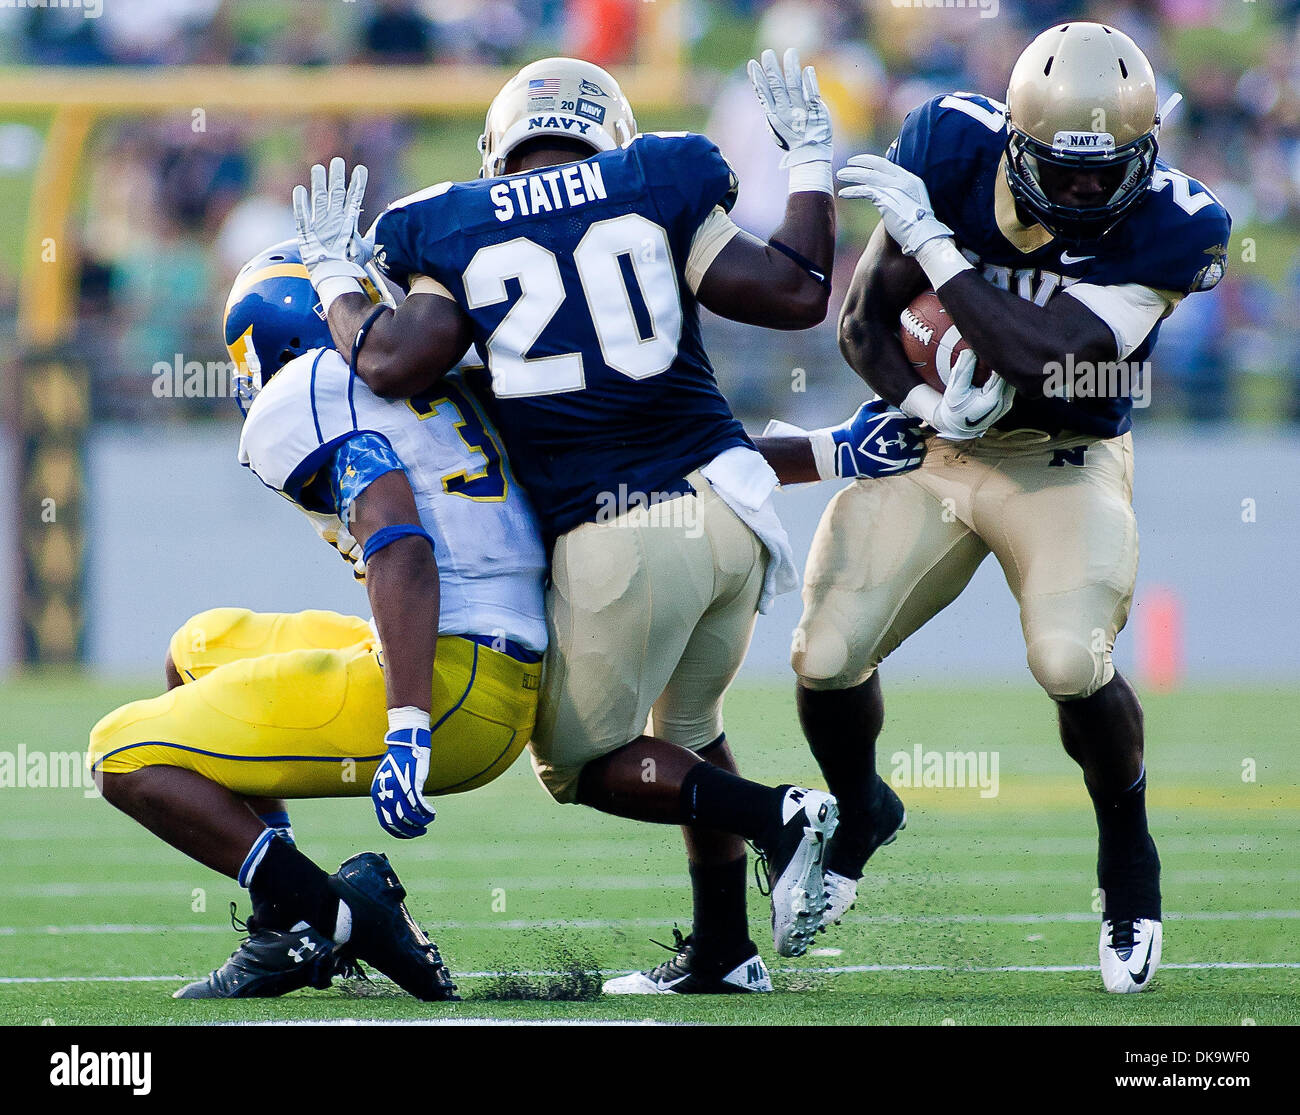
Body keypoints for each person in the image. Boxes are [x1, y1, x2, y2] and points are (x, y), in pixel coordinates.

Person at [290, 51, 927, 993]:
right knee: (692, 730)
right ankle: (723, 950)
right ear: (608, 135)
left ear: (499, 146)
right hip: (736, 518)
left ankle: (783, 817)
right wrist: (807, 169)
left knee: (582, 763)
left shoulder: (451, 226)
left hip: (621, 538)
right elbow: (797, 293)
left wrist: (335, 277)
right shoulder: (655, 182)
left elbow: (389, 360)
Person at [797, 22, 1230, 993]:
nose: (1083, 190)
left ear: (1144, 149)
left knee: (1069, 659)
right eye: (1061, 171)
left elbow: (1043, 354)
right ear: (1015, 141)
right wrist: (918, 404)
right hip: (933, 446)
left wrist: (930, 241)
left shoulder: (1180, 224)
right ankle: (861, 807)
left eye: (1103, 170)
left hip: (1061, 458)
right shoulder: (950, 145)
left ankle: (1127, 855)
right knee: (823, 656)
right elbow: (863, 325)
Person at [87, 240, 550, 1000]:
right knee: (196, 648)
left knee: (119, 754)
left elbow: (400, 542)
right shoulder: (435, 377)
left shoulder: (303, 389)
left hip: (453, 687)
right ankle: (283, 925)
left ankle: (341, 918)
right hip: (497, 657)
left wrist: (408, 723)